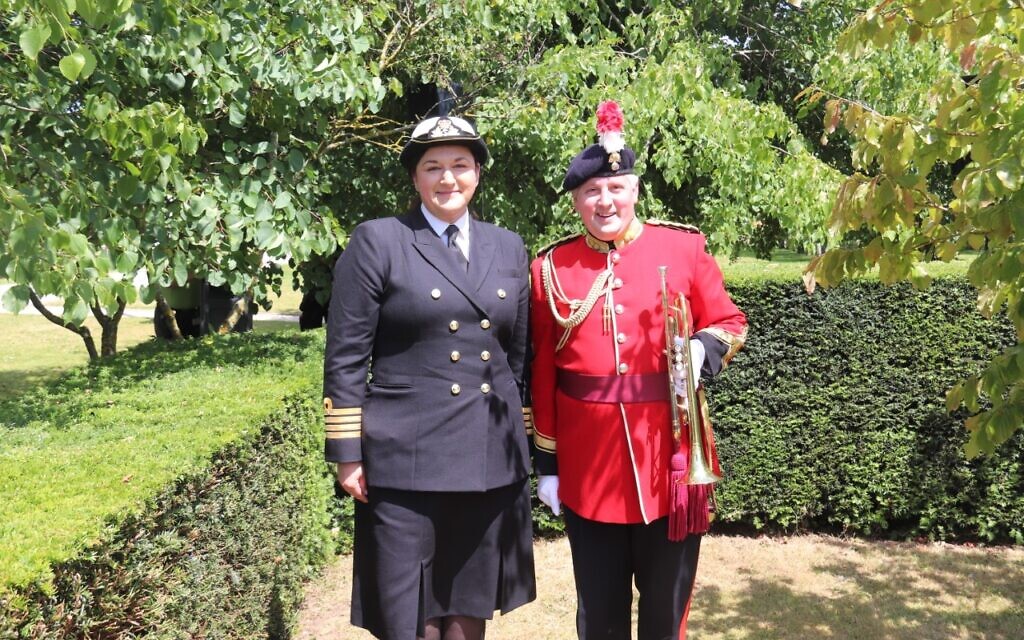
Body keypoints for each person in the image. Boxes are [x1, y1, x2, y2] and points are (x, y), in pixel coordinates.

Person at [530, 101, 748, 640]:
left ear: (634, 190)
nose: (605, 201)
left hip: (668, 464)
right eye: (591, 193)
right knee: (599, 618)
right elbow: (542, 373)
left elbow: (731, 321)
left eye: (616, 188)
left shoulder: (684, 246)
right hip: (588, 469)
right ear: (578, 201)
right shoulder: (549, 267)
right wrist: (547, 465)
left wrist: (701, 349)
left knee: (665, 615)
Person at [323, 114, 536, 640]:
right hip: (404, 459)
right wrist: (347, 451)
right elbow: (347, 355)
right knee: (408, 616)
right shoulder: (379, 241)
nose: (448, 179)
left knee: (468, 606)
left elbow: (517, 356)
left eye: (460, 165)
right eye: (433, 167)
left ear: (478, 173)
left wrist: (520, 437)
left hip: (487, 456)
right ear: (415, 178)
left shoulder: (507, 246)